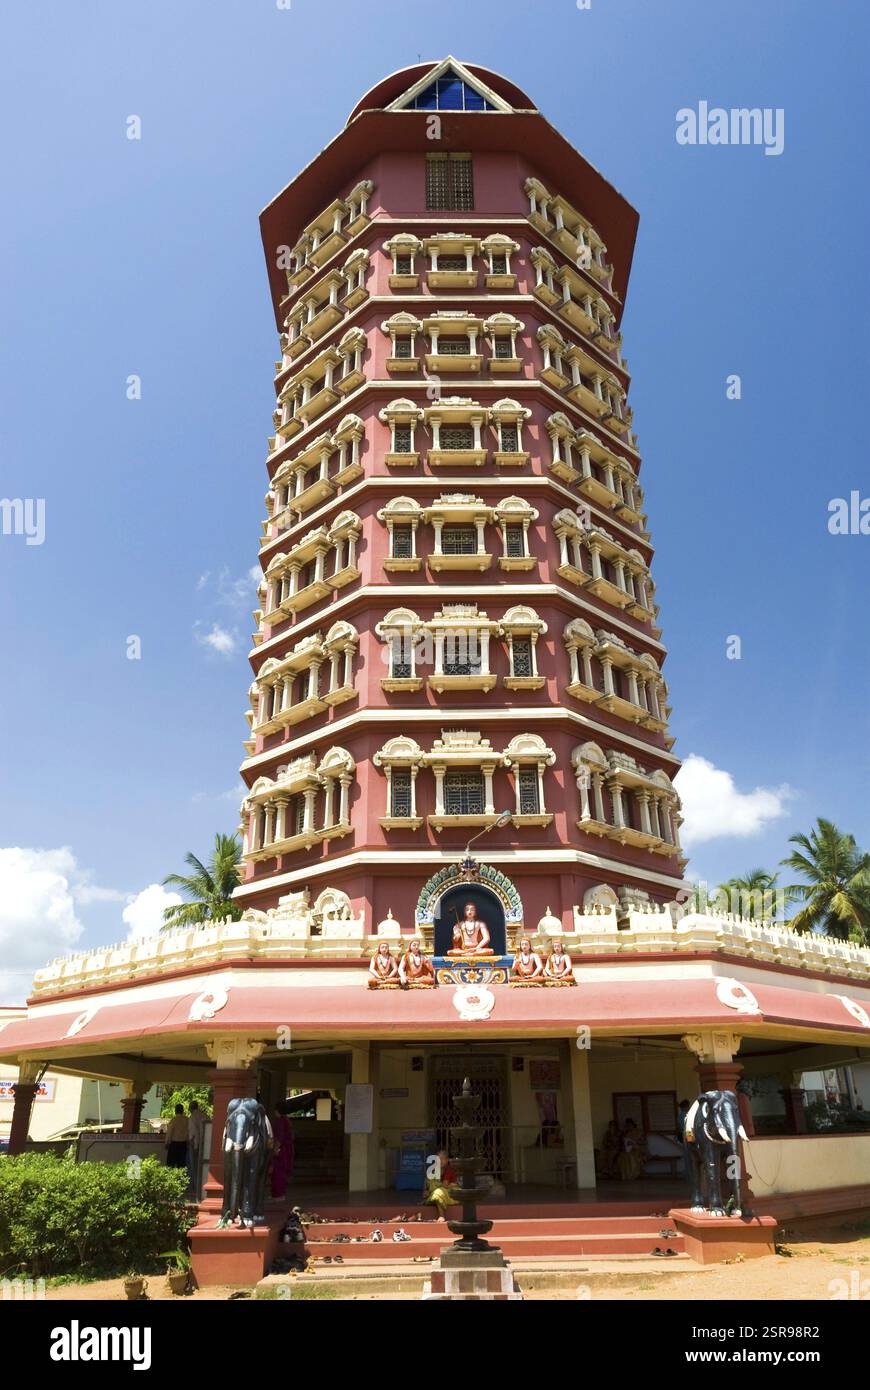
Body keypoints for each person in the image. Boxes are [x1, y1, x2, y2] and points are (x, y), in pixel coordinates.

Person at [270, 1099, 296, 1201]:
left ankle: (278, 1195)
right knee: (281, 1172)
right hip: (287, 1150)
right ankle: (278, 1194)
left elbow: (279, 1138)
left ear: (277, 1111)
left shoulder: (280, 1122)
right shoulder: (287, 1121)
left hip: (282, 1151)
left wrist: (275, 1149)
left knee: (278, 1173)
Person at [422, 1149, 458, 1221]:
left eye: (442, 1159)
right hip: (436, 1191)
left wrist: (431, 1190)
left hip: (451, 1192)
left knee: (438, 1192)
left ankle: (442, 1215)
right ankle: (431, 1198)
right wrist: (425, 1190)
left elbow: (445, 1185)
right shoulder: (434, 1170)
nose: (440, 1161)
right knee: (434, 1187)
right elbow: (428, 1183)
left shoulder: (449, 1169)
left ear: (447, 1160)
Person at [186, 1099, 207, 1198]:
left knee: (194, 1167)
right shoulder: (204, 1115)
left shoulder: (192, 1118)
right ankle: (202, 1185)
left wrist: (194, 1145)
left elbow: (193, 1134)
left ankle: (194, 1187)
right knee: (203, 1166)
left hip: (195, 1145)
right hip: (206, 1145)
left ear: (191, 1108)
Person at [164, 1103, 188, 1169]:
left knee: (171, 1165)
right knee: (181, 1165)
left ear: (175, 1111)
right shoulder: (187, 1120)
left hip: (174, 1145)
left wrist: (167, 1143)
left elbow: (169, 1133)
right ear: (183, 1110)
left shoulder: (173, 1120)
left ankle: (171, 1178)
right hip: (184, 1145)